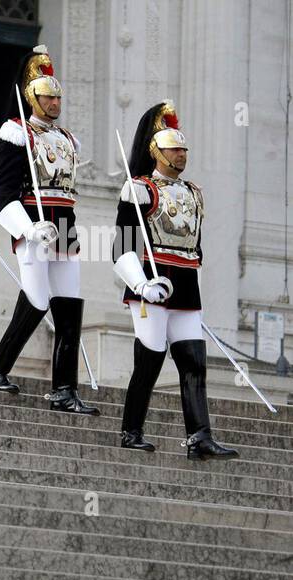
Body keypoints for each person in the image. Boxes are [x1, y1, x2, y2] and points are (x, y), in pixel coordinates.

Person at [113, 101, 237, 460]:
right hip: (152, 281)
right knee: (150, 359)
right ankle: (131, 430)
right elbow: (121, 248)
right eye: (174, 149)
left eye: (183, 149)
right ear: (156, 151)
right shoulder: (139, 190)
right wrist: (141, 285)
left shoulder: (194, 192)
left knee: (194, 360)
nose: (181, 155)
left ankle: (199, 437)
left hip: (185, 283)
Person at [0, 46, 97, 414]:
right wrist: (28, 228)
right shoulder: (17, 133)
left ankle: (65, 388)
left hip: (65, 225)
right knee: (36, 300)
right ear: (32, 96)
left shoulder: (66, 138)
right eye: (47, 95)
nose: (54, 102)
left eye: (57, 96)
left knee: (69, 307)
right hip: (34, 222)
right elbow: (5, 192)